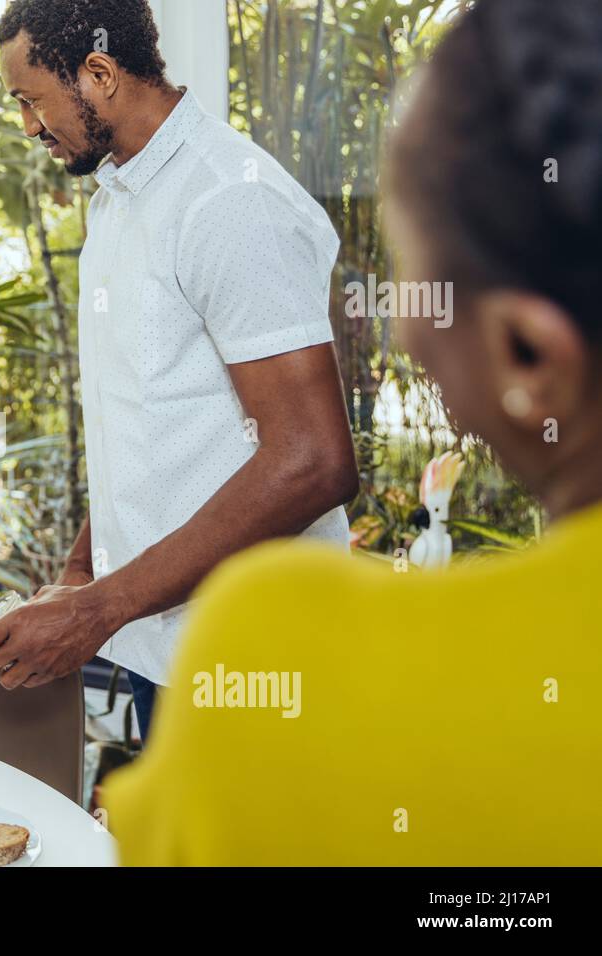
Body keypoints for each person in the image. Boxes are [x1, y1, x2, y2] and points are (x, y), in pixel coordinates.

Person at [103, 0, 602, 864]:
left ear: (531, 356)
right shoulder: (121, 200)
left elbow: (311, 460)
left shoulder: (276, 641)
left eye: (420, 281)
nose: (401, 329)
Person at [0, 0, 358, 739]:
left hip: (260, 655)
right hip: (166, 646)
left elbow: (313, 461)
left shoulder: (229, 200)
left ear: (98, 74)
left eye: (30, 100)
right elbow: (144, 417)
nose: (27, 125)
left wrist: (99, 607)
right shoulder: (119, 200)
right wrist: (83, 571)